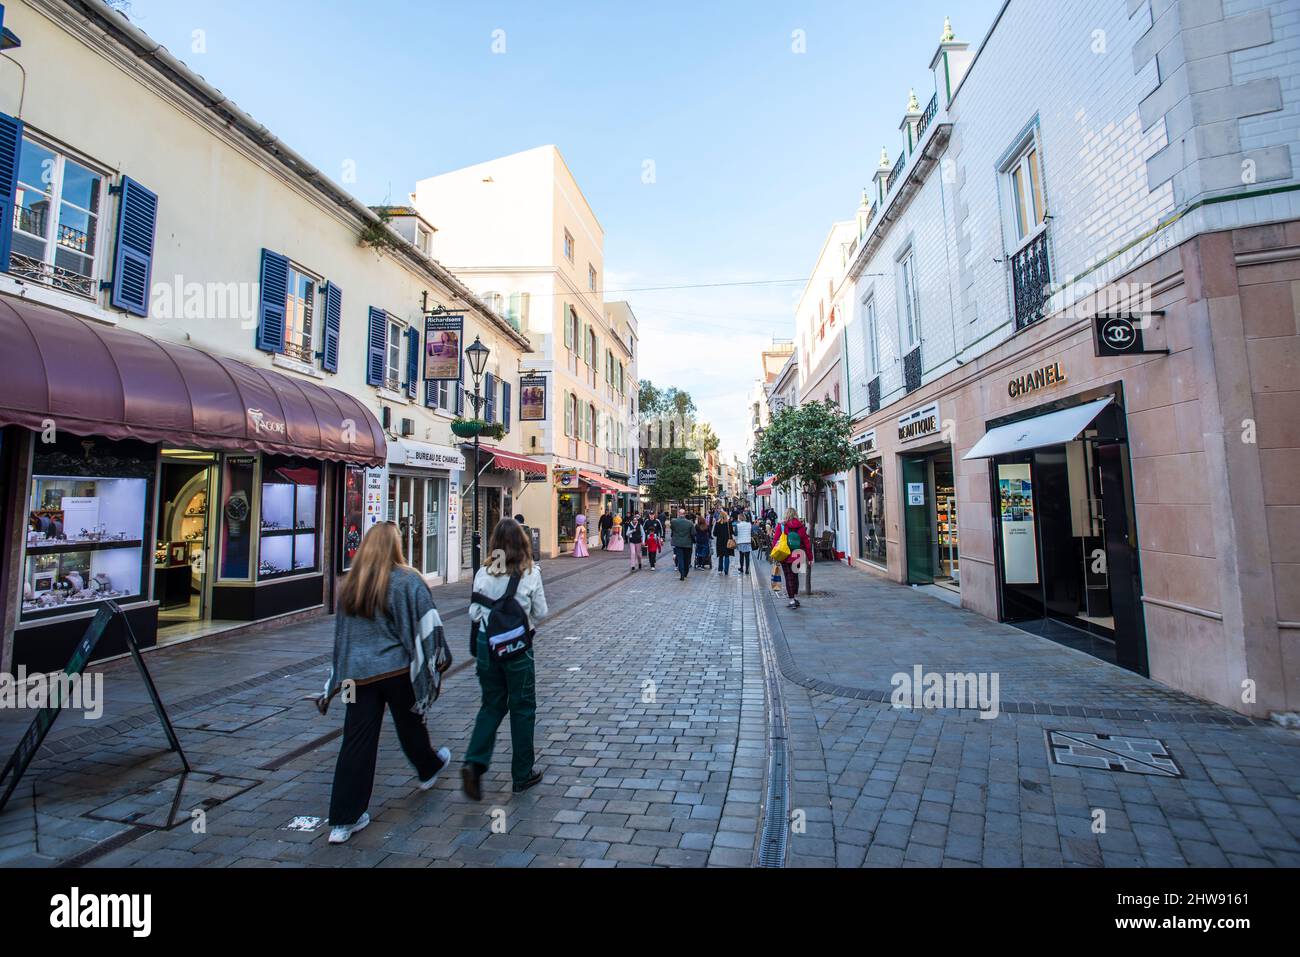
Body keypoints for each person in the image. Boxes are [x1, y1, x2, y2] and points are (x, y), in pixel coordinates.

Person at [322, 522, 453, 844]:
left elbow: (343, 634)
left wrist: (339, 673)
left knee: (356, 741)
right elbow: (428, 622)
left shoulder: (352, 583)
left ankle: (343, 820)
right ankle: (427, 766)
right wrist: (436, 656)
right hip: (394, 672)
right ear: (396, 546)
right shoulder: (406, 580)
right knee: (409, 722)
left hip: (357, 676)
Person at [463, 519, 549, 799]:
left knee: (491, 705)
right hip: (517, 648)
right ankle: (522, 774)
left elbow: (474, 614)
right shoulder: (530, 573)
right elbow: (541, 612)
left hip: (487, 646)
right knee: (523, 707)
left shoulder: (482, 573)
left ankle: (475, 762)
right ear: (522, 542)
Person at [775, 507, 812, 609]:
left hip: (785, 555)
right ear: (795, 514)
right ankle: (794, 597)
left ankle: (792, 600)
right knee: (795, 576)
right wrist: (810, 557)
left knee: (788, 577)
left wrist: (776, 554)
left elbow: (775, 542)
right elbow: (806, 543)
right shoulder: (801, 526)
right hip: (798, 554)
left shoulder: (781, 526)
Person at [670, 507, 694, 580]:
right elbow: (693, 533)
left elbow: (672, 529)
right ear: (685, 514)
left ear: (679, 514)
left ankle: (682, 573)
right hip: (687, 543)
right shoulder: (690, 523)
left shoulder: (674, 522)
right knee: (686, 559)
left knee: (680, 558)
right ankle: (686, 572)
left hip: (678, 543)